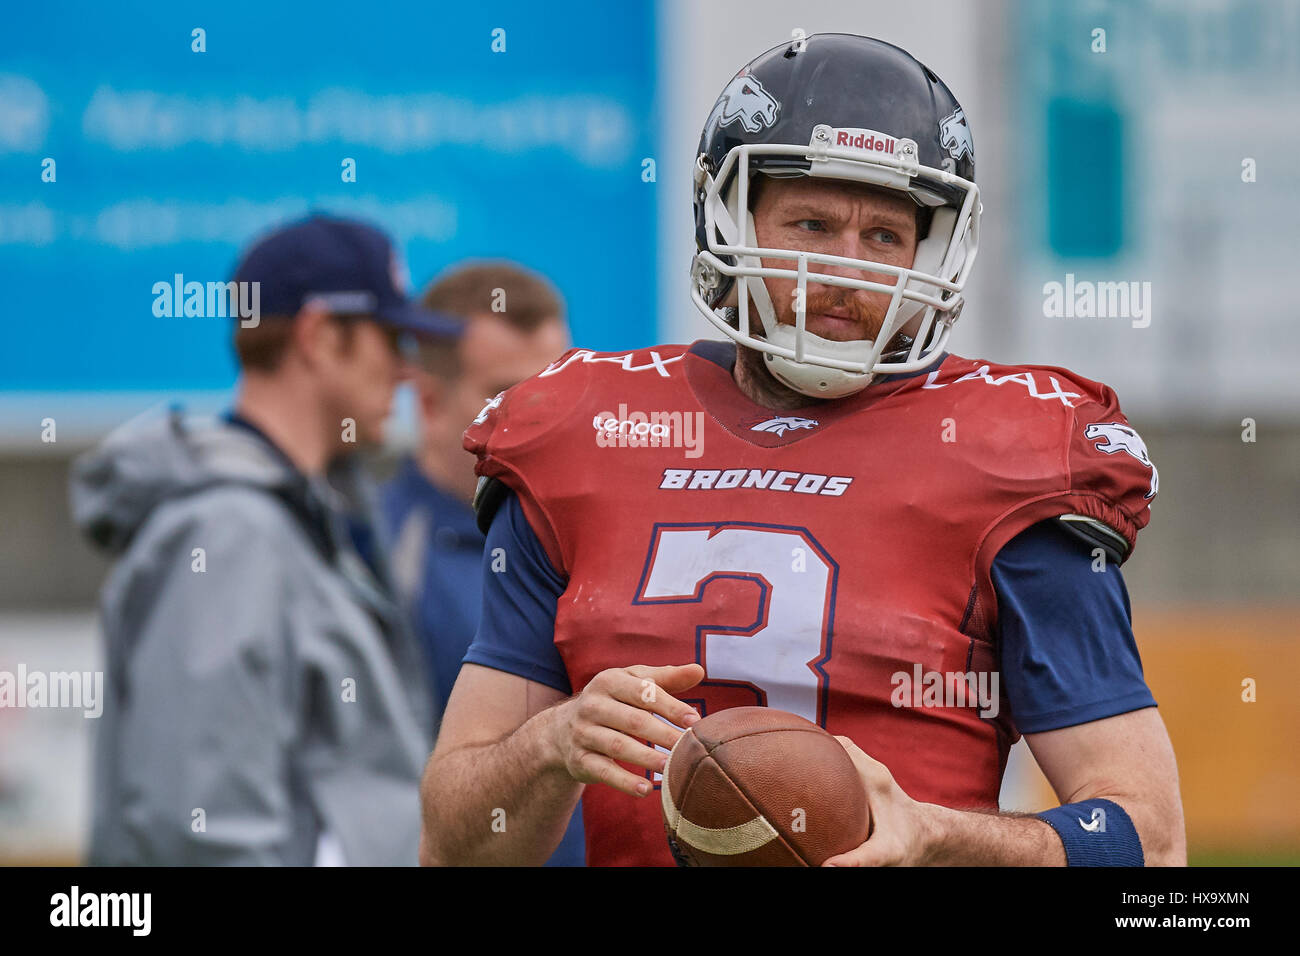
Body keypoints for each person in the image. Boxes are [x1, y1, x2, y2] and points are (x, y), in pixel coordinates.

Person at [418, 35, 1186, 867]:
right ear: (729, 220)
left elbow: (1149, 840)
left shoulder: (1018, 453)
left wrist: (935, 834)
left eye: (886, 237)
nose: (847, 271)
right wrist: (550, 745)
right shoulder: (582, 433)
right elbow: (454, 851)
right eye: (811, 224)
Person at [71, 214, 457, 865]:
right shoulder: (229, 532)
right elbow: (201, 833)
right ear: (317, 335)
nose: (406, 370)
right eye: (391, 338)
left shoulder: (301, 519)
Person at [379, 261, 582, 865]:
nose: (543, 418)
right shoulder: (377, 562)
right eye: (508, 394)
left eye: (559, 389)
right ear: (429, 399)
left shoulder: (611, 540)